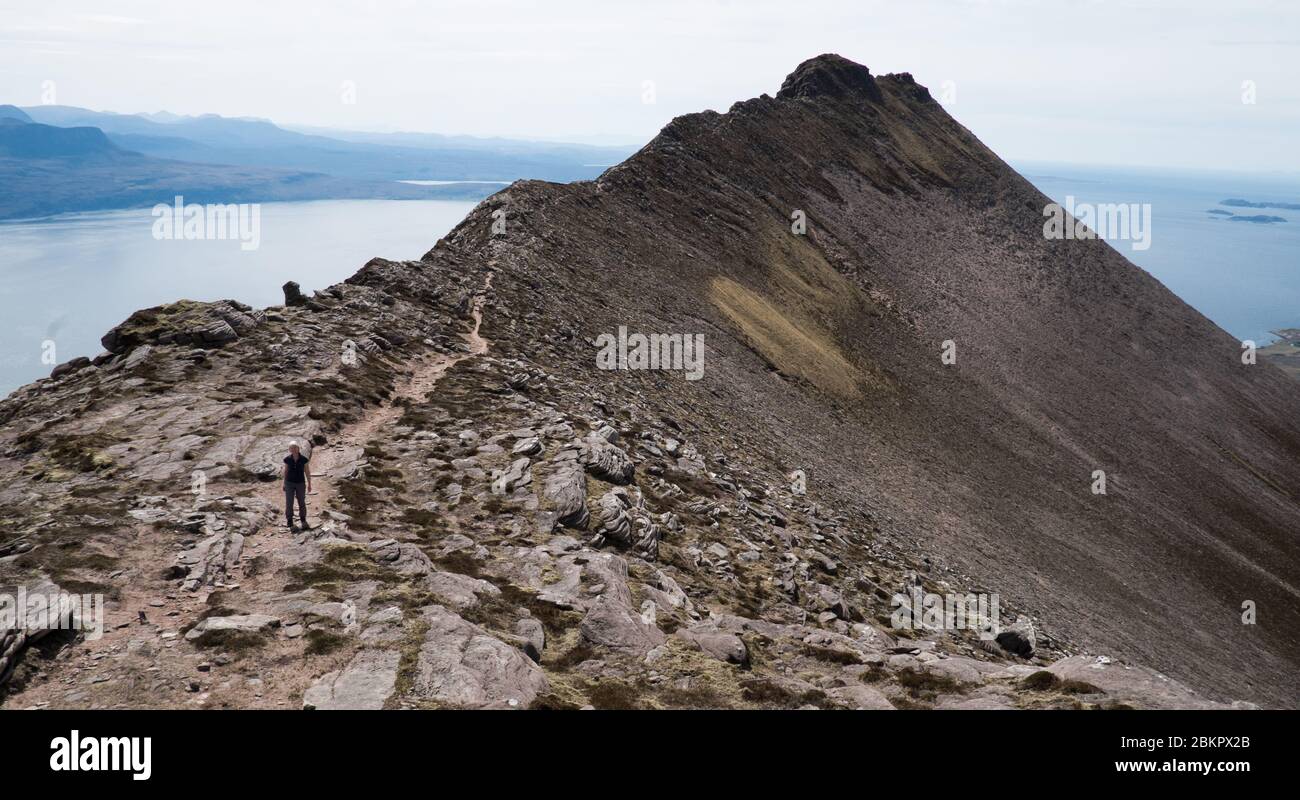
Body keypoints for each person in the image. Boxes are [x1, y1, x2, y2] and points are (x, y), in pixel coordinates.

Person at [281, 441, 312, 530]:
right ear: (289, 449)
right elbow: (286, 471)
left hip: (300, 483)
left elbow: (307, 472)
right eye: (291, 448)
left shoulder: (304, 459)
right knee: (289, 502)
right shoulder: (287, 459)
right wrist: (284, 483)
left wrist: (309, 484)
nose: (293, 449)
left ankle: (303, 519)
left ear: (298, 448)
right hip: (289, 483)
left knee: (301, 501)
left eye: (295, 447)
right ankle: (289, 520)